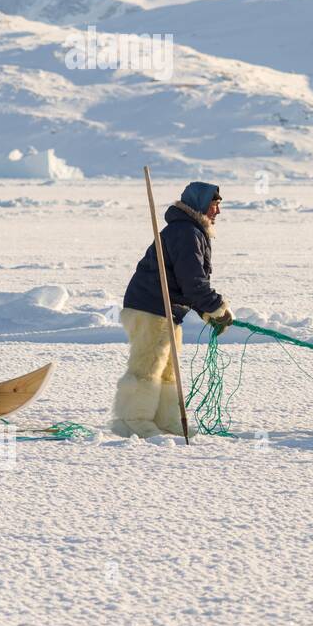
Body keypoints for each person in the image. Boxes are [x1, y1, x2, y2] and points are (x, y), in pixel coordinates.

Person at [112, 181, 233, 437]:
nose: (217, 212)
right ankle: (132, 421)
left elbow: (186, 284)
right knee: (148, 366)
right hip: (150, 306)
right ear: (201, 205)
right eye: (214, 205)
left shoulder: (193, 231)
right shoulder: (186, 233)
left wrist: (206, 312)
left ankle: (165, 420)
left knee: (167, 368)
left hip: (168, 309)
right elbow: (193, 282)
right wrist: (217, 309)